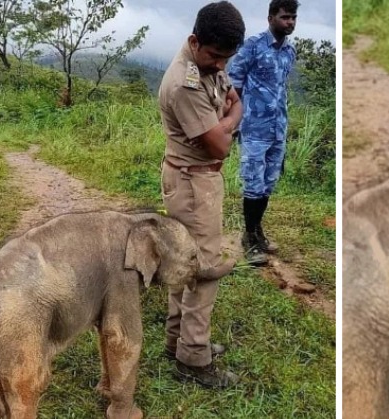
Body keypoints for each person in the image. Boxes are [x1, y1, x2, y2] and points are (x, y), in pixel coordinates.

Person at [157, 1, 244, 389]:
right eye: (215, 56)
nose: (221, 66)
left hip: (195, 179)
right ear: (195, 41)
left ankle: (177, 341)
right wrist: (228, 121)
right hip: (194, 183)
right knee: (203, 269)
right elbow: (220, 146)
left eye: (227, 58)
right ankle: (193, 357)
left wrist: (226, 120)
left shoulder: (205, 66)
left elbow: (235, 100)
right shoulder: (184, 82)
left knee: (182, 261)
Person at [228, 0, 299, 266]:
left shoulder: (290, 51)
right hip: (254, 128)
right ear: (271, 18)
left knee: (268, 182)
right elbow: (233, 85)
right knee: (253, 184)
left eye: (293, 18)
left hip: (277, 128)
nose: (290, 22)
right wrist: (233, 123)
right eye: (285, 17)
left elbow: (280, 89)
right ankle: (248, 237)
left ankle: (258, 231)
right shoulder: (253, 46)